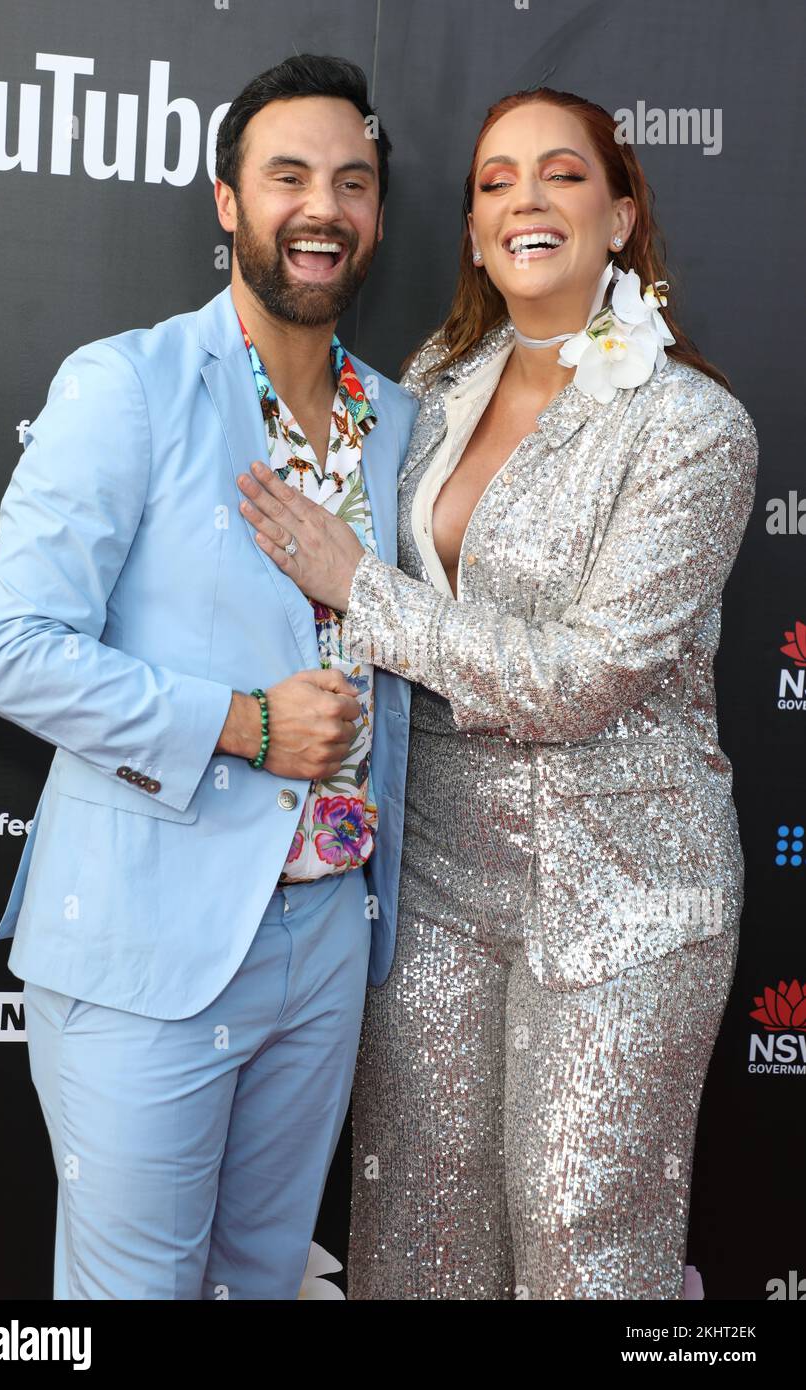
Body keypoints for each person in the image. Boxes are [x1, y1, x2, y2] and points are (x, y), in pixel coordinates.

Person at [234, 86, 760, 1300]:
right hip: (434, 879)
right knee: (419, 1226)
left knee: (585, 1233)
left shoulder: (693, 427)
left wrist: (359, 586)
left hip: (626, 883)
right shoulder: (430, 384)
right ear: (471, 233)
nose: (525, 197)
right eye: (493, 181)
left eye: (562, 174)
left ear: (620, 213)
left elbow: (589, 676)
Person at [0, 53, 418, 1300]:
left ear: (376, 214)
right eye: (287, 177)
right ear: (228, 202)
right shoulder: (127, 385)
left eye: (352, 181)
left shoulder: (398, 420)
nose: (320, 207)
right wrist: (243, 723)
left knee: (265, 1280)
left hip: (328, 937)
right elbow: (9, 652)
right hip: (146, 940)